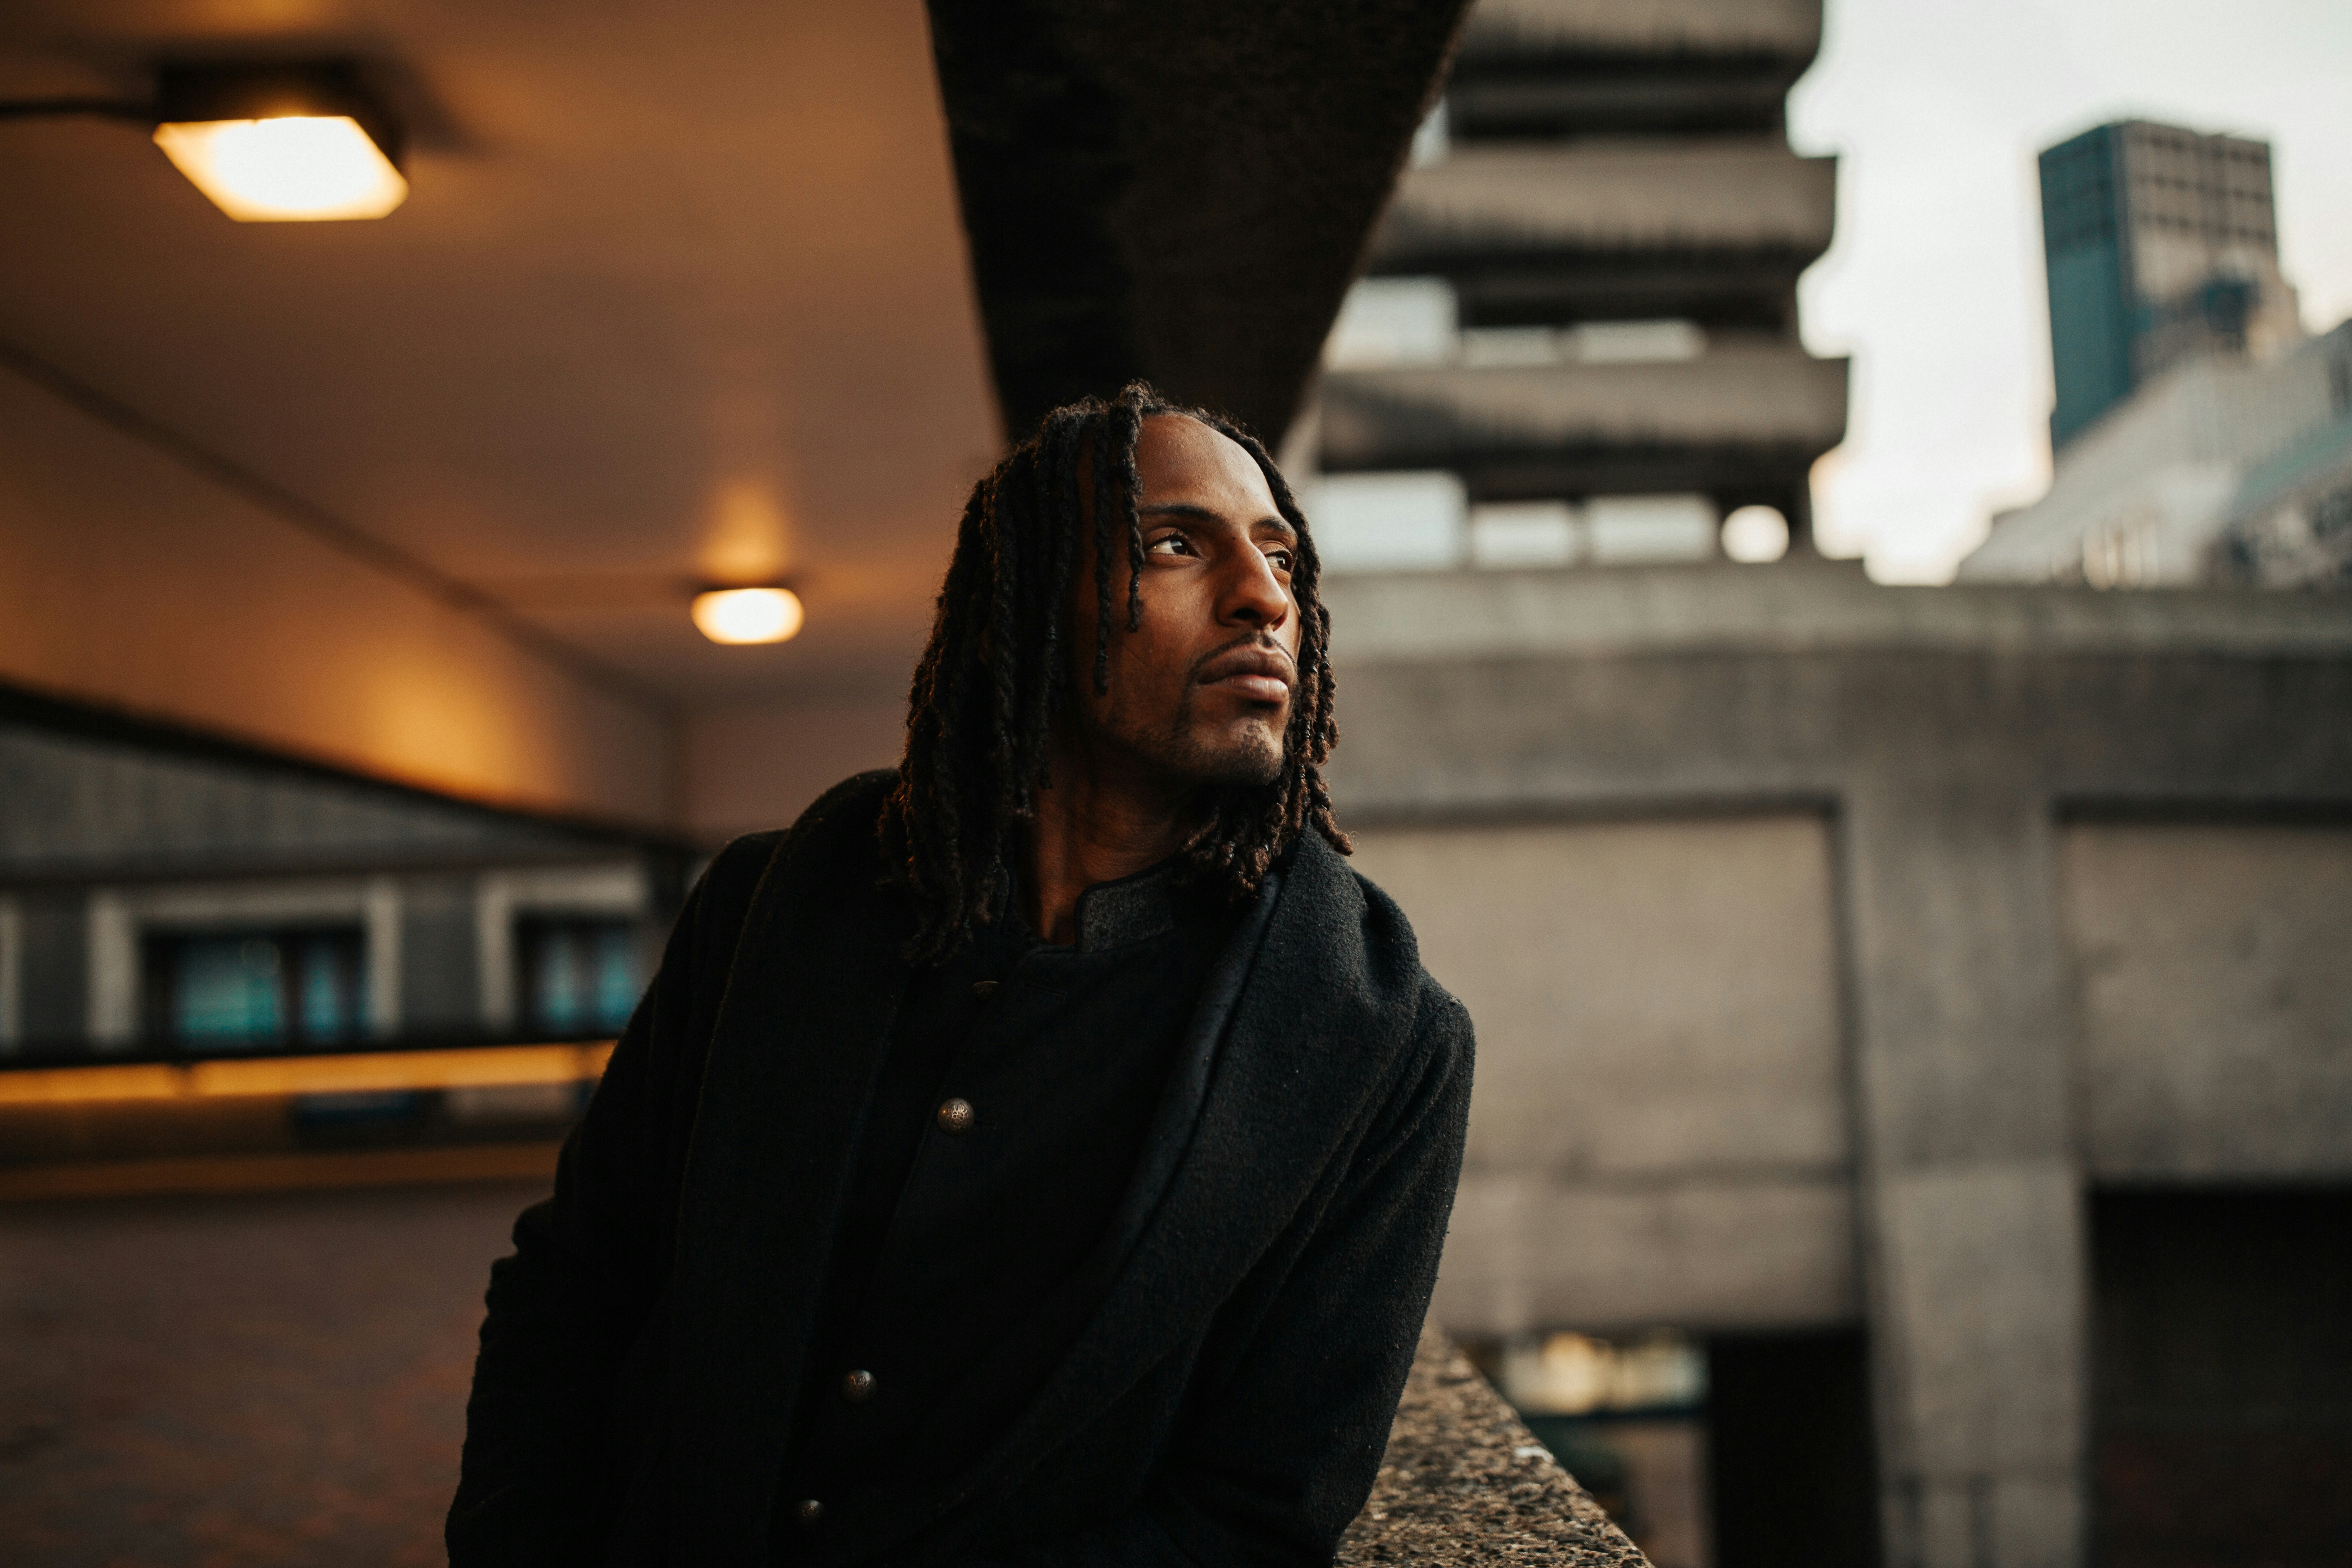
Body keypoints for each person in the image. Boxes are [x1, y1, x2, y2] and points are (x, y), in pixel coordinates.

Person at [448, 383, 1474, 1567]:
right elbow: (577, 1281)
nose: (1265, 597)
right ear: (1024, 608)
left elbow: (1257, 1515)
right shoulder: (771, 909)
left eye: (1281, 558)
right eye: (1176, 545)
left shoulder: (1380, 1044)